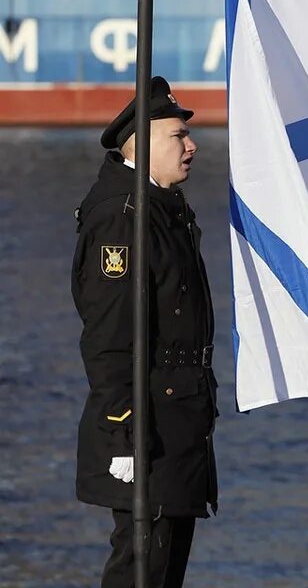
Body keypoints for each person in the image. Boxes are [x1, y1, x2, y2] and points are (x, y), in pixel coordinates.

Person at [72, 77, 218, 588]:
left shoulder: (160, 207)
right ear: (145, 143)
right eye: (179, 136)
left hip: (176, 423)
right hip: (145, 428)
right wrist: (122, 433)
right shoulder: (124, 219)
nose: (191, 145)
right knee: (141, 569)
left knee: (164, 567)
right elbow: (110, 336)